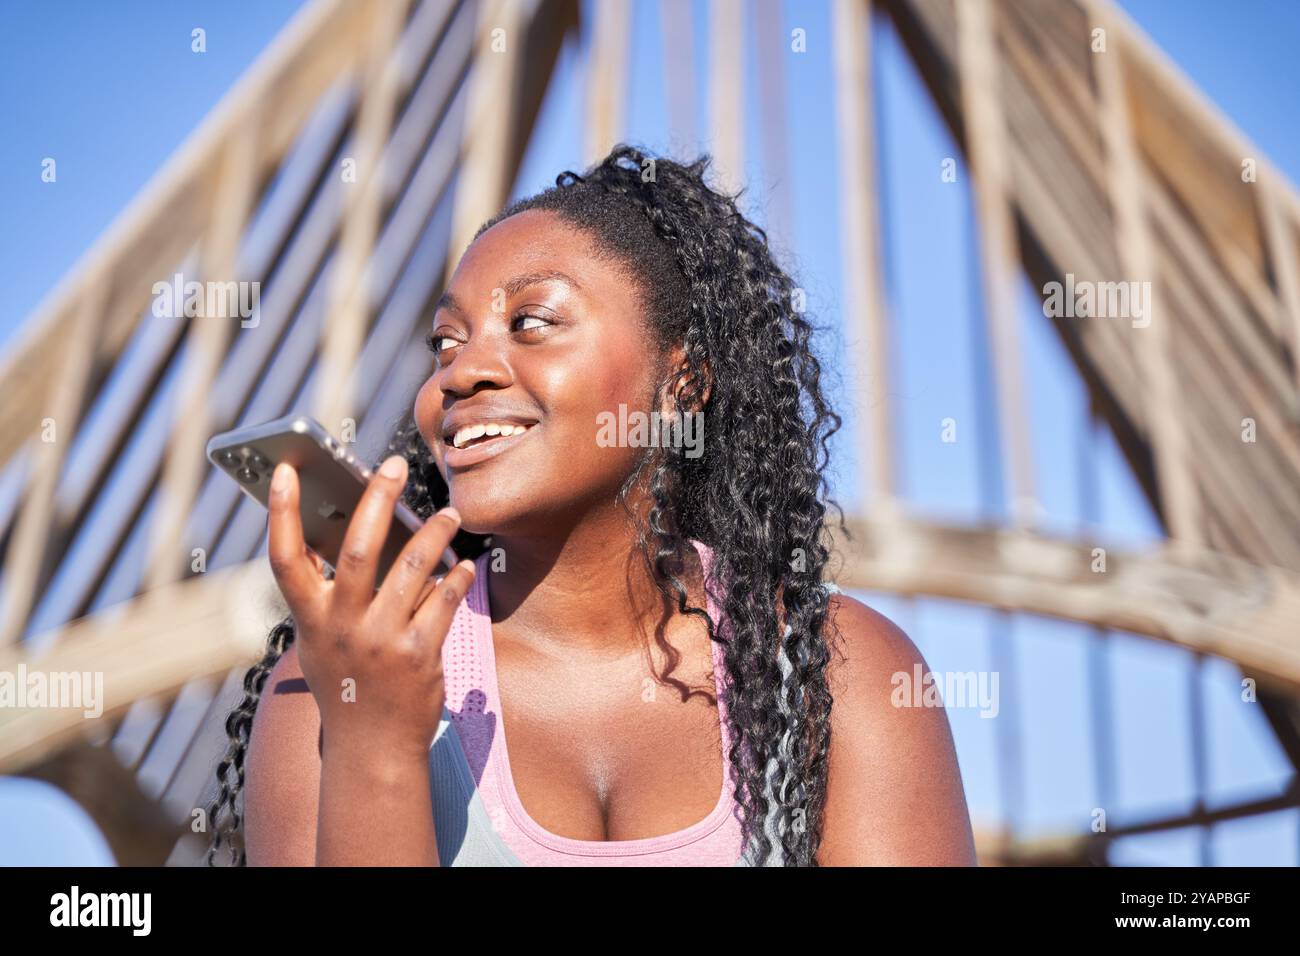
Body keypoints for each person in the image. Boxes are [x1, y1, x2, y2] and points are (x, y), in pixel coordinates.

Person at [205, 144, 976, 866]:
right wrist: (375, 738)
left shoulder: (842, 677)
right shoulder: (329, 688)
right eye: (445, 342)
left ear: (682, 382)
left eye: (532, 323)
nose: (462, 371)